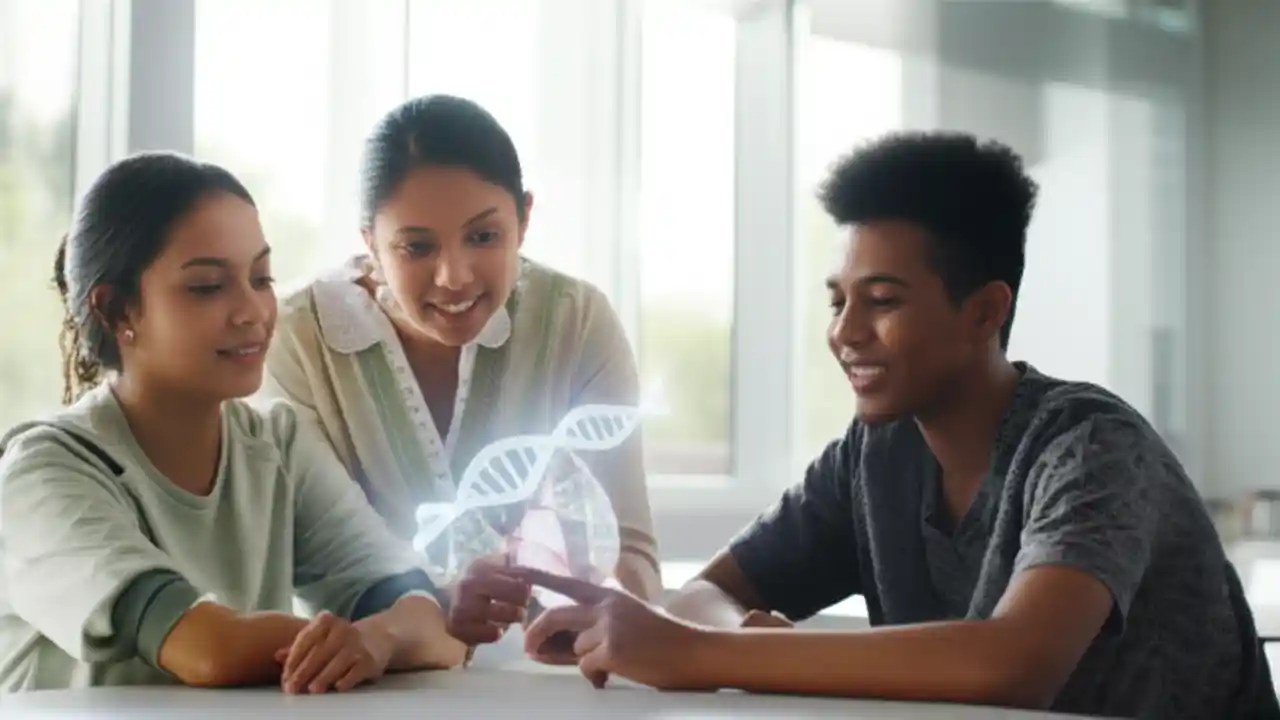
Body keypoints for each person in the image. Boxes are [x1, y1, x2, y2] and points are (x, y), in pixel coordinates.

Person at [518, 132, 1280, 718]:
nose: (845, 332)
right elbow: (711, 592)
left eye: (881, 301)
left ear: (985, 311)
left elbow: (1015, 663)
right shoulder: (873, 456)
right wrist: (716, 640)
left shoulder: (1090, 445)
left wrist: (705, 654)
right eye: (837, 300)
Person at [0, 153, 466, 692]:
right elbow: (208, 650)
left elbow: (426, 620)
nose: (254, 312)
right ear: (117, 310)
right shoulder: (41, 473)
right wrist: (374, 639)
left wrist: (380, 637)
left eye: (261, 278)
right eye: (207, 286)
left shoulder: (279, 442)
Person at [258, 95, 662, 648]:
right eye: (416, 247)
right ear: (370, 242)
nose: (454, 276)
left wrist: (609, 612)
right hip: (378, 675)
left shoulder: (576, 320)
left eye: (483, 237)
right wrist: (441, 604)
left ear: (524, 219)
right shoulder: (299, 339)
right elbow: (323, 557)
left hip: (557, 673)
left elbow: (630, 548)